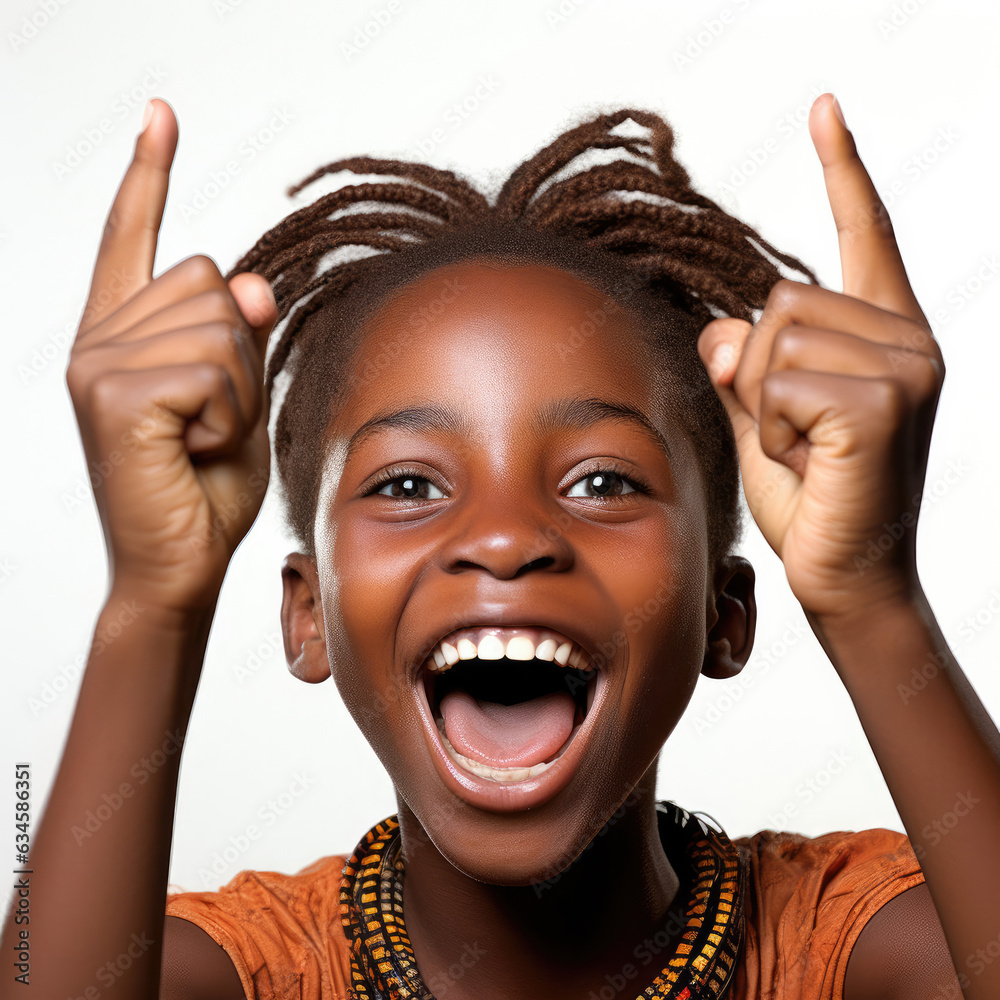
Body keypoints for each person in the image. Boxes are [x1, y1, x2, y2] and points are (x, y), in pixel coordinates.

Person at [3, 92, 997, 1000]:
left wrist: (870, 596)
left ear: (724, 615)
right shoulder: (232, 972)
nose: (505, 537)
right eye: (407, 485)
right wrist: (154, 599)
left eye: (602, 481)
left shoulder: (862, 949)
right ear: (308, 616)